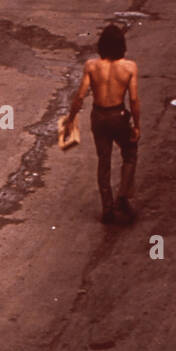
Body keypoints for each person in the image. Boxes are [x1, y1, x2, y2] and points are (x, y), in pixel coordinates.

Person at [63, 23, 140, 223]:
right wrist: (136, 125)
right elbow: (133, 100)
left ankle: (107, 208)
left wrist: (70, 120)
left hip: (98, 116)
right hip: (118, 115)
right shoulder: (129, 67)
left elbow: (80, 96)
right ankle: (123, 197)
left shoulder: (91, 66)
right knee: (130, 152)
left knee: (103, 161)